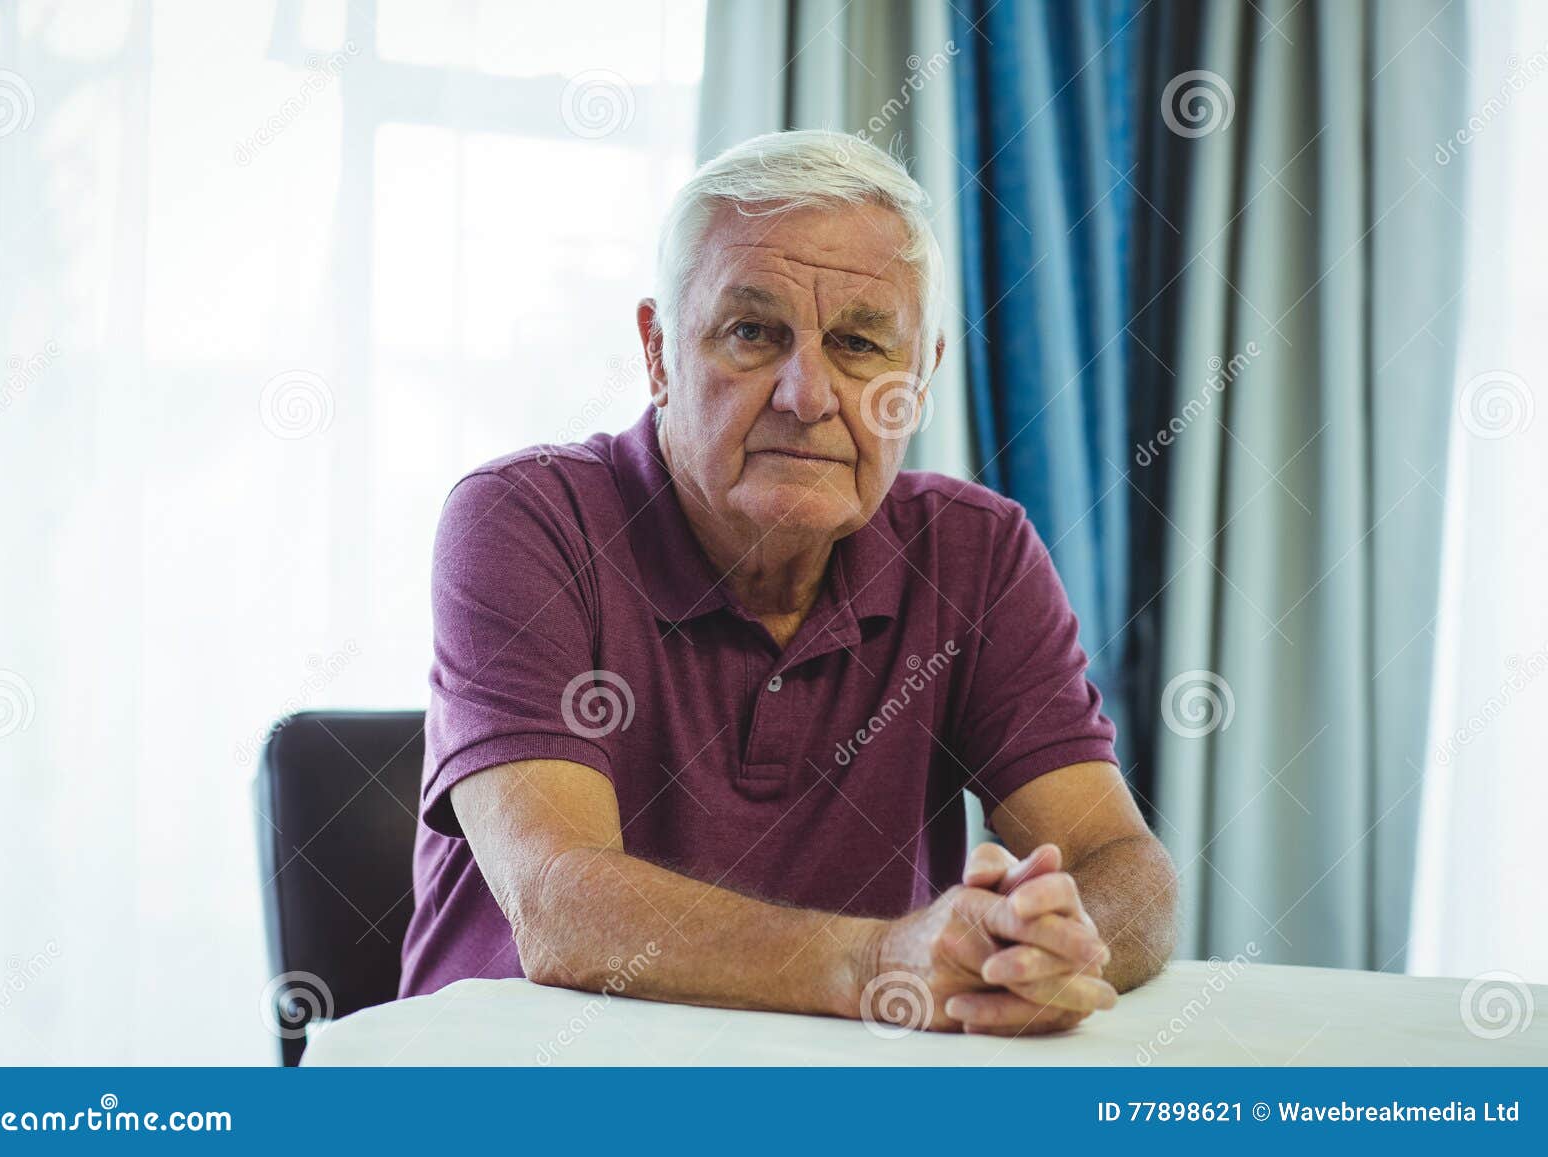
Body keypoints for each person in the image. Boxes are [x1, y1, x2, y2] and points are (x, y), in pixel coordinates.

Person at [399, 129, 1176, 1036]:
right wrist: (878, 960)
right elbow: (560, 905)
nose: (807, 396)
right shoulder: (523, 519)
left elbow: (1120, 858)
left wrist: (1052, 945)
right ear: (658, 351)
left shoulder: (979, 552)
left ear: (918, 381)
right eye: (753, 333)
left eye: (858, 343)